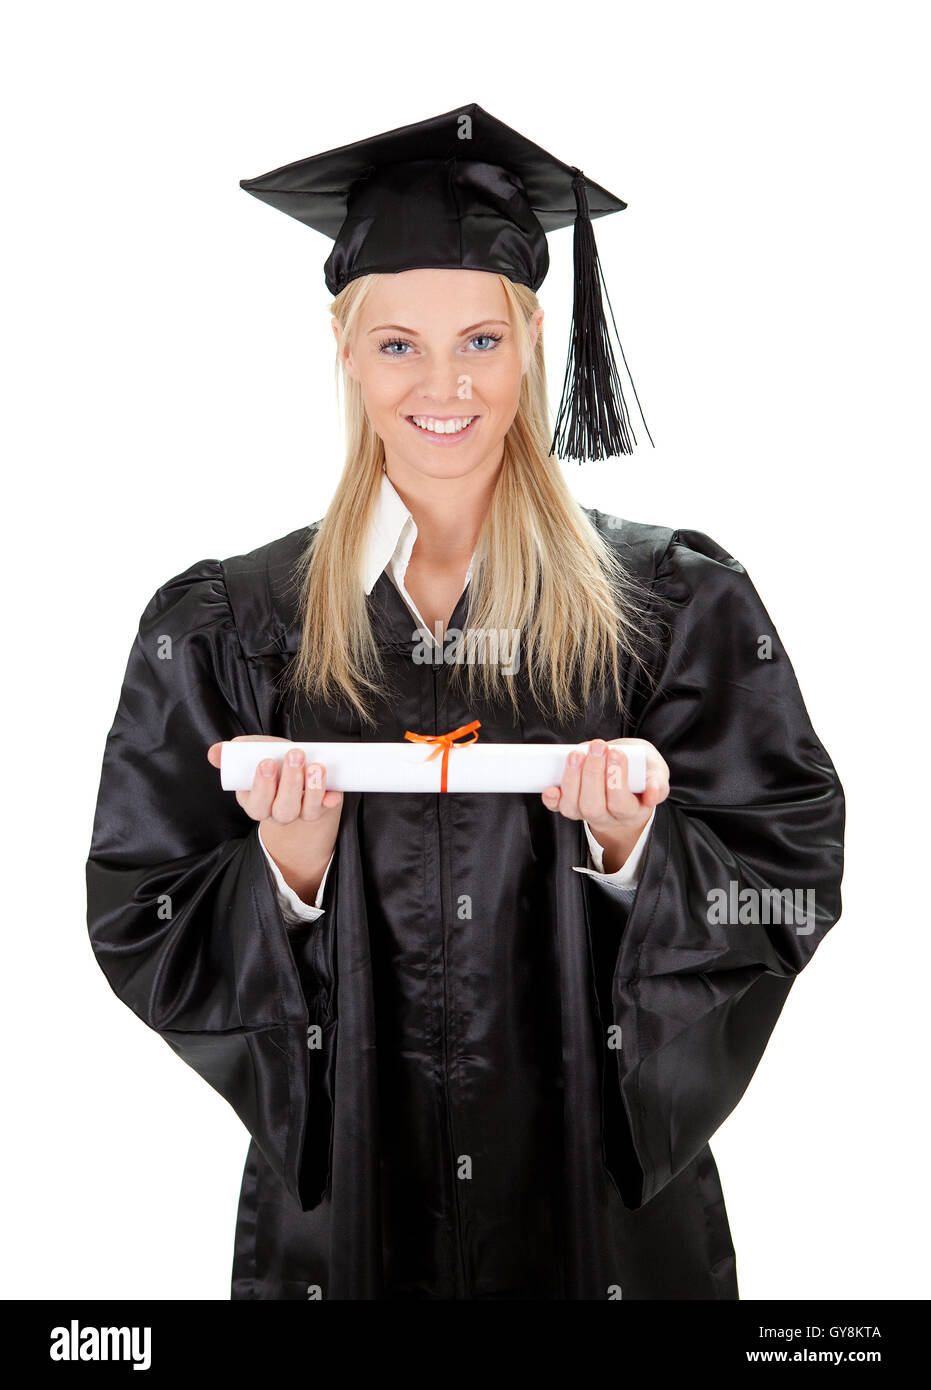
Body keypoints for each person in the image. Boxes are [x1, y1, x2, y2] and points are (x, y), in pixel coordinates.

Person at [85, 104, 845, 1300]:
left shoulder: (672, 605)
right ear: (342, 346)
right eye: (398, 345)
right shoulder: (232, 621)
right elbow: (140, 911)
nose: (443, 384)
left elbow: (789, 875)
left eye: (481, 339)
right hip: (348, 1229)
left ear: (535, 336)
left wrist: (638, 847)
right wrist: (281, 875)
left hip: (596, 1217)